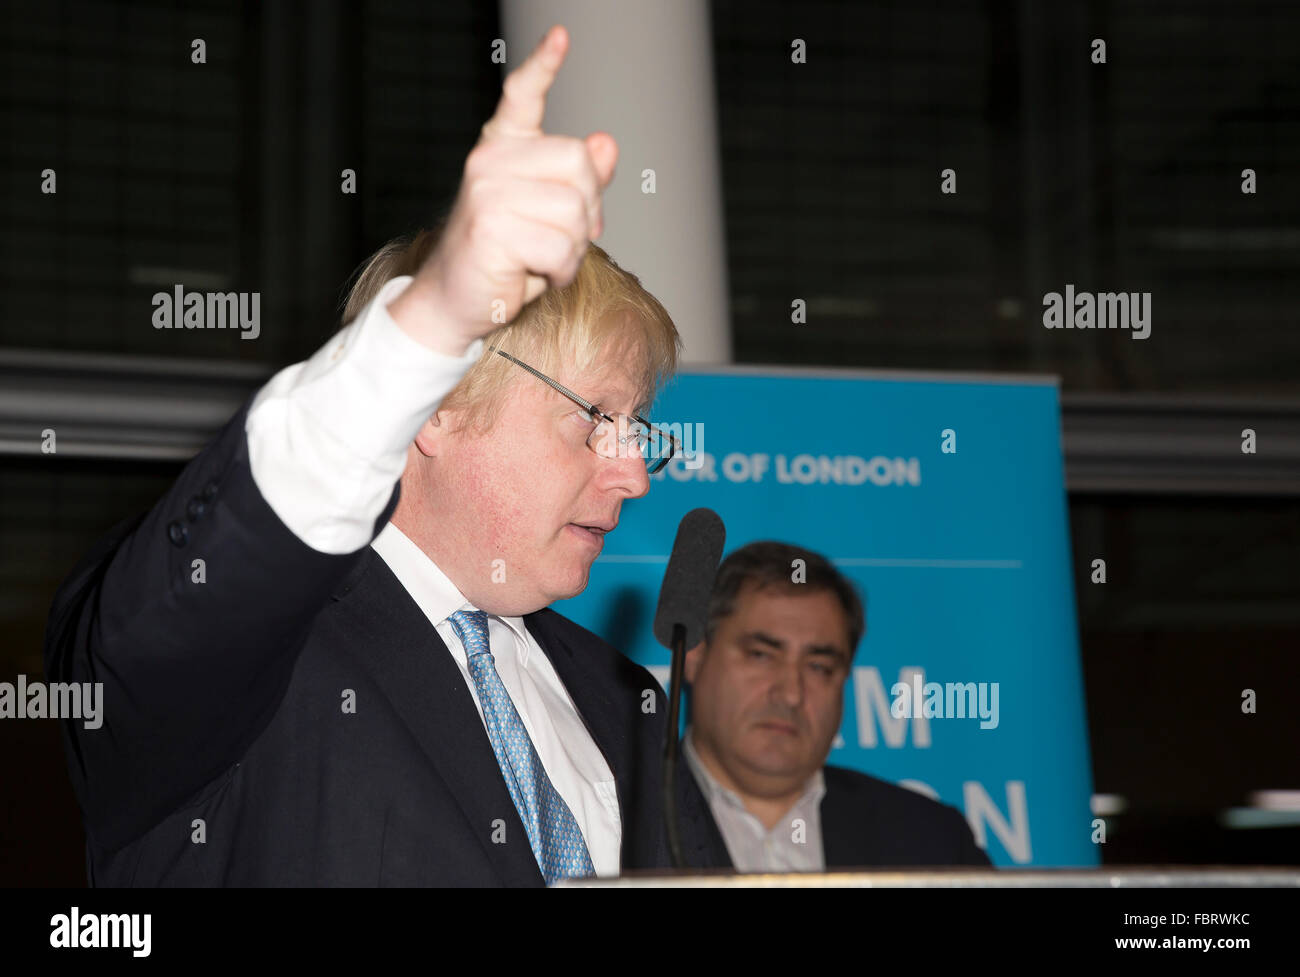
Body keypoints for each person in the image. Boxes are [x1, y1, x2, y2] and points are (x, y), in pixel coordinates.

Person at [43, 25, 682, 886]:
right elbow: (169, 624)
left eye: (639, 428)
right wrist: (437, 318)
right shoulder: (262, 652)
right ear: (439, 407)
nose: (633, 473)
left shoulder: (626, 698)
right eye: (596, 418)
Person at [676, 541, 993, 871]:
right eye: (761, 655)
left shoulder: (931, 841)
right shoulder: (627, 817)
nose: (791, 695)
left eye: (818, 667)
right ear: (695, 656)